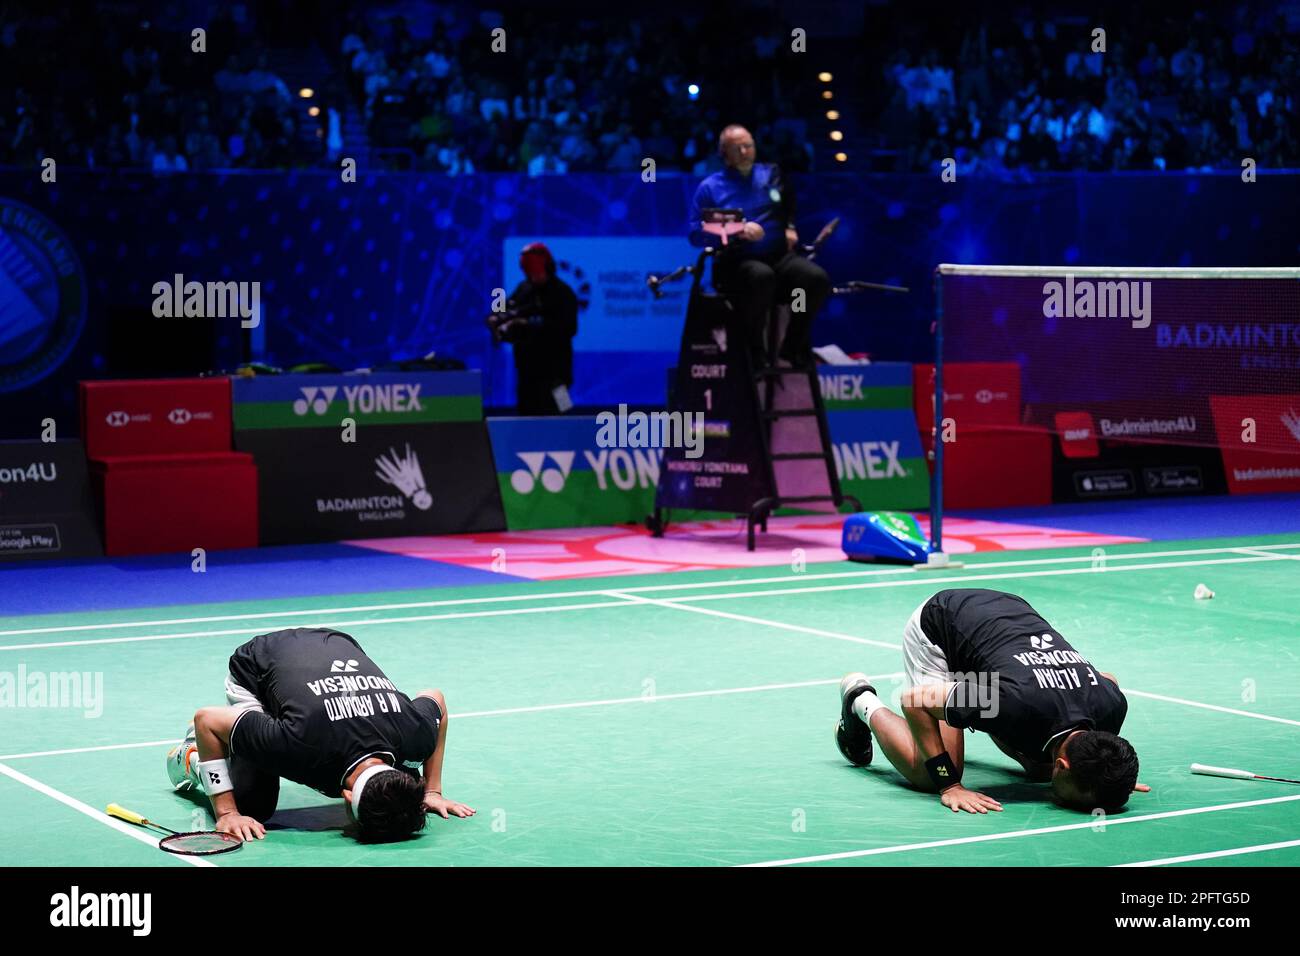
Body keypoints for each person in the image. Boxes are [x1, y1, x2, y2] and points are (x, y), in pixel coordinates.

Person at [834, 588, 1149, 813]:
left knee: (1039, 769)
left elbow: (1109, 680)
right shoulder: (1009, 703)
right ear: (1063, 765)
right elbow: (914, 701)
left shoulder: (1110, 705)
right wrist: (949, 786)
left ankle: (966, 702)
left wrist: (1107, 773)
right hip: (941, 625)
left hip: (1007, 616)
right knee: (932, 772)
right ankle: (860, 700)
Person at [165, 627, 474, 843]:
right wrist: (227, 812)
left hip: (334, 643)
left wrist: (431, 792)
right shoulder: (297, 746)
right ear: (347, 798)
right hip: (257, 666)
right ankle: (192, 756)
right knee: (252, 806)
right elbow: (206, 718)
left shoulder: (414, 733)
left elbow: (436, 699)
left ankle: (252, 730)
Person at [688, 124, 829, 366]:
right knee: (761, 278)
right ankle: (754, 352)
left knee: (813, 280)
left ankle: (791, 348)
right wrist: (736, 230)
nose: (745, 151)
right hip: (737, 263)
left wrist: (790, 227)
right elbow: (694, 233)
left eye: (748, 146)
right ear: (723, 153)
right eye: (737, 148)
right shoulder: (710, 188)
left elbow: (786, 203)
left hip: (779, 259)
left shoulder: (771, 174)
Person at [491, 241, 579, 415]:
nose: (533, 276)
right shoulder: (524, 289)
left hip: (557, 373)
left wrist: (530, 324)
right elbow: (506, 308)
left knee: (564, 415)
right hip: (528, 373)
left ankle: (569, 439)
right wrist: (497, 316)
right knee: (527, 418)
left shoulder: (563, 292)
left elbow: (569, 328)